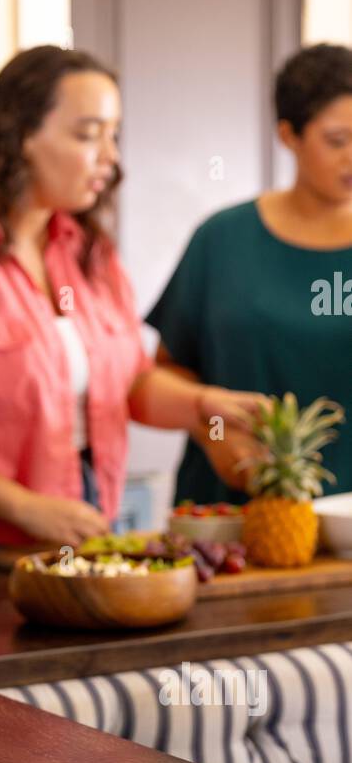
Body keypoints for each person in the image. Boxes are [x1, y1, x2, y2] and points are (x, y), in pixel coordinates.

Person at [0, 46, 261, 570]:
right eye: (88, 135)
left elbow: (130, 385)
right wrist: (22, 507)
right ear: (21, 136)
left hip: (80, 514)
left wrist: (203, 403)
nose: (111, 158)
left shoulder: (92, 257)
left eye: (113, 135)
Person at [148, 42, 352, 504]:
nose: (351, 157)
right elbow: (162, 374)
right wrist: (209, 429)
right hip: (228, 518)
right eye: (337, 141)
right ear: (289, 135)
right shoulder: (223, 240)